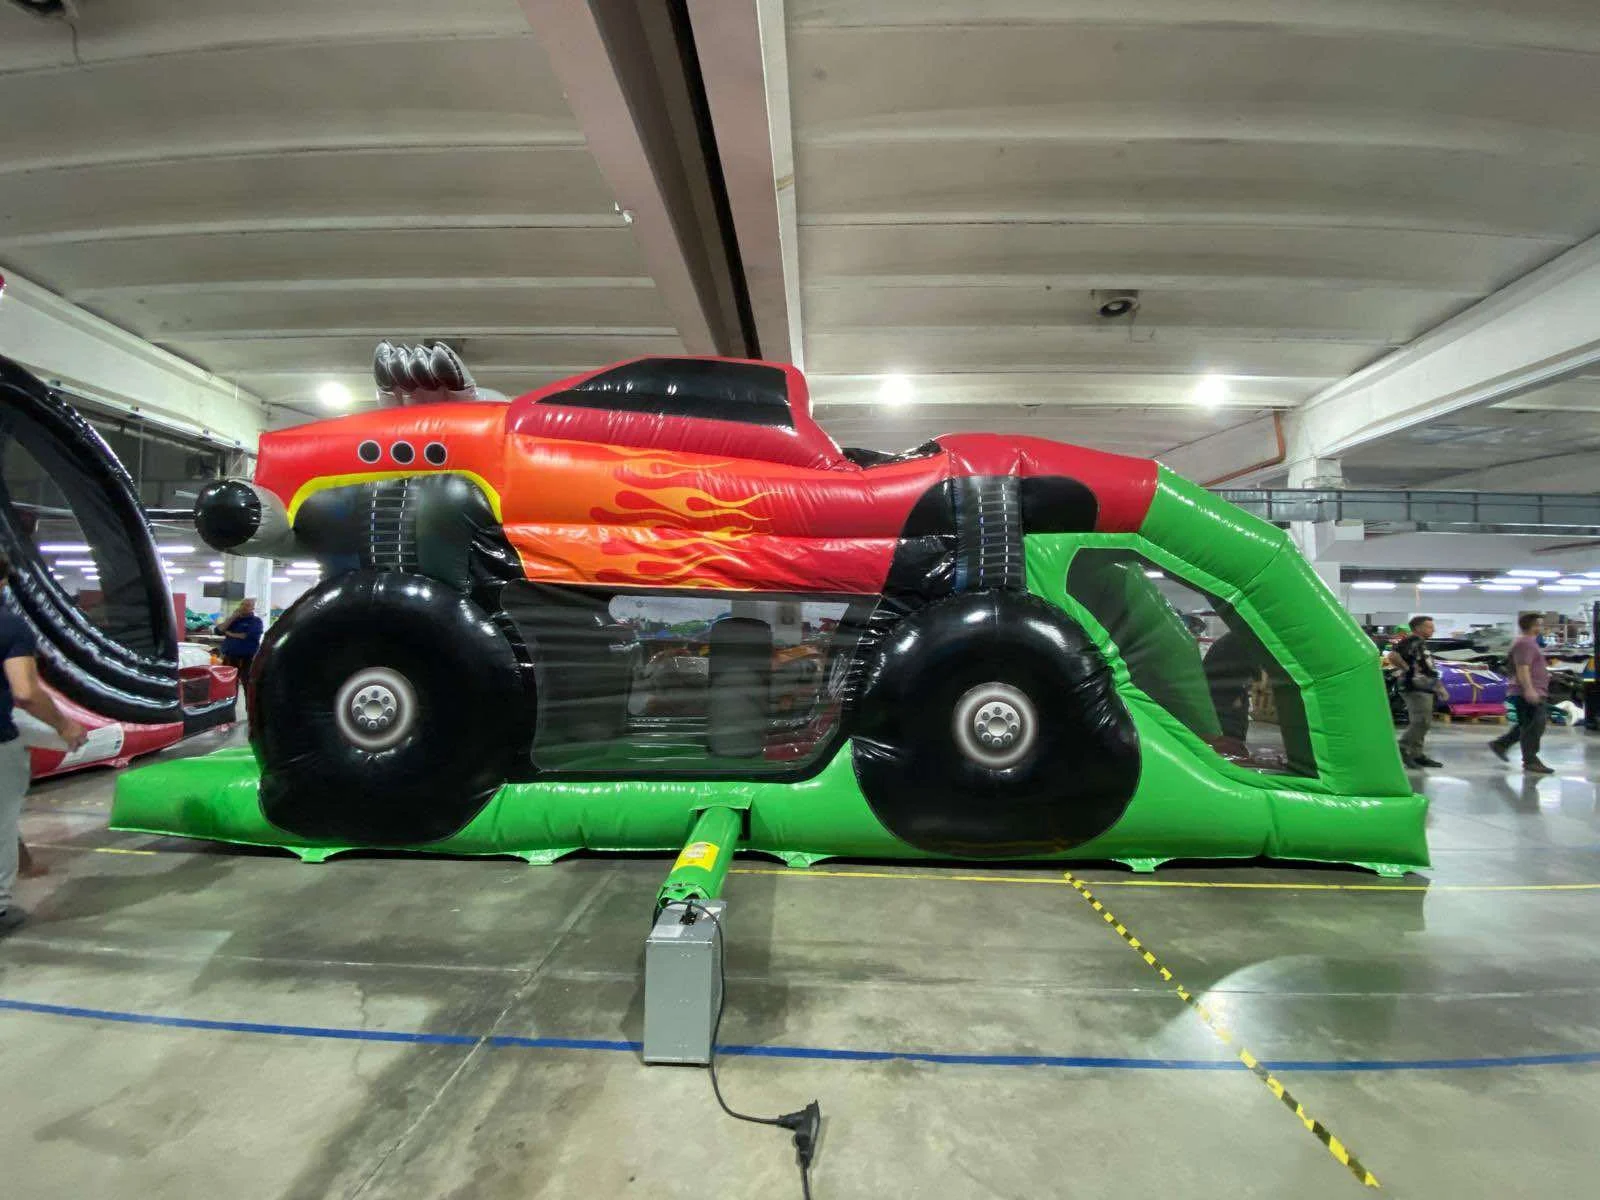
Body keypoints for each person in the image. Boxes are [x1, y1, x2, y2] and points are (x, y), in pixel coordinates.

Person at [2, 550, 88, 934]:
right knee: (2, 822)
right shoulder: (9, 626)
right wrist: (64, 725)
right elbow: (25, 691)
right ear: (3, 581)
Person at [1490, 613, 1554, 775]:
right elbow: (1522, 667)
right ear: (1534, 626)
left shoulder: (1528, 643)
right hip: (1527, 691)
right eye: (1539, 624)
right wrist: (1529, 689)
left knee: (1528, 725)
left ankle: (1501, 744)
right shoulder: (1525, 643)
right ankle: (1530, 760)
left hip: (1533, 689)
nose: (1542, 627)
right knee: (1534, 726)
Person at [1385, 615, 1444, 768]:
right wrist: (1408, 670)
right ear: (1418, 628)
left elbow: (1427, 667)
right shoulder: (1412, 640)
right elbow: (1392, 656)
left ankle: (1417, 754)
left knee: (1424, 722)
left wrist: (1437, 686)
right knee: (1421, 722)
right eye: (1429, 627)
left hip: (1424, 686)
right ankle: (1403, 747)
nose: (1433, 630)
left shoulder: (1420, 643)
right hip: (1414, 687)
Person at [216, 597, 264, 675]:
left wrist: (229, 633)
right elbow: (219, 631)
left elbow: (246, 636)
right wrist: (232, 617)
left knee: (246, 681)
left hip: (246, 658)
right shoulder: (234, 620)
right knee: (228, 681)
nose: (243, 607)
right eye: (242, 604)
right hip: (229, 657)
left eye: (247, 605)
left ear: (253, 608)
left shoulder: (256, 621)